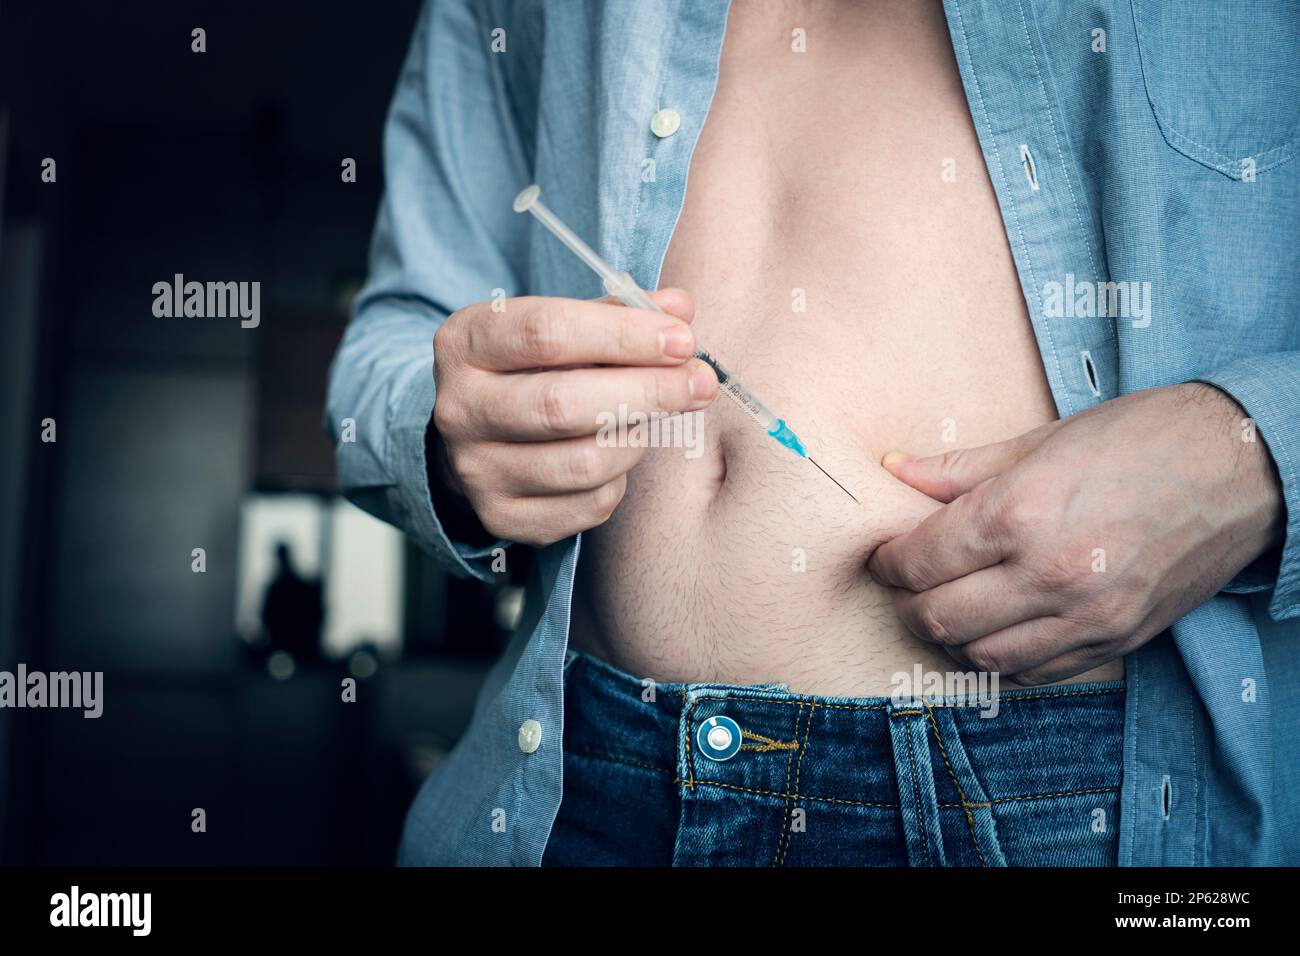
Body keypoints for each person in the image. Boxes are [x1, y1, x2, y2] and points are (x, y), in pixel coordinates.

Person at [327, 0, 1300, 865]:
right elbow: (395, 341)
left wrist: (1248, 459)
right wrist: (450, 441)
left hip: (1048, 786)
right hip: (576, 773)